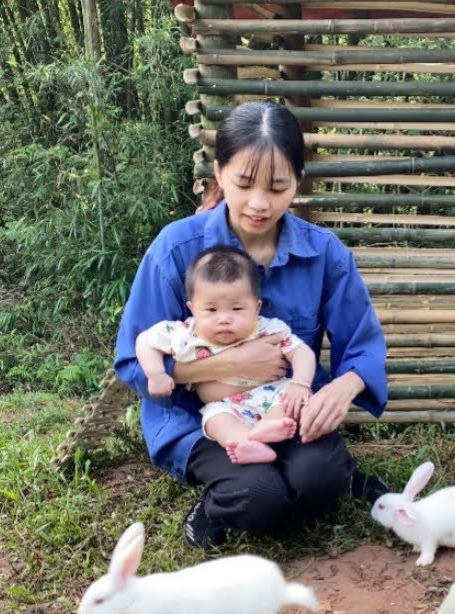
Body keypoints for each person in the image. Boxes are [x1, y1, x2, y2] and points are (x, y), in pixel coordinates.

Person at [115, 101, 389, 550]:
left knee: (319, 479)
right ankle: (218, 496)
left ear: (298, 182)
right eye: (243, 183)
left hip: (287, 408)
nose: (259, 203)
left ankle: (331, 472)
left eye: (278, 187)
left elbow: (363, 343)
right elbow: (132, 360)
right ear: (219, 173)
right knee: (258, 498)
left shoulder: (324, 253)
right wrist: (230, 366)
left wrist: (341, 388)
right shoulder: (175, 249)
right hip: (204, 420)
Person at [135, 247, 319, 465]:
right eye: (211, 310)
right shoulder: (183, 334)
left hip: (272, 394)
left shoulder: (268, 329)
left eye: (237, 308)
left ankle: (268, 427)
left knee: (294, 400)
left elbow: (301, 352)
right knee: (215, 420)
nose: (224, 319)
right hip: (226, 406)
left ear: (256, 307)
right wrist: (156, 373)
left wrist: (300, 383)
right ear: (193, 309)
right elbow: (144, 341)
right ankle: (246, 444)